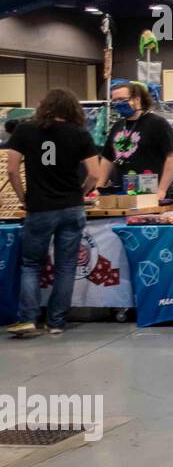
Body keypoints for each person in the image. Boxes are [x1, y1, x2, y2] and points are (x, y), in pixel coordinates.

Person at [5, 89, 101, 337]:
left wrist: (23, 199)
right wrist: (80, 193)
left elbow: (12, 171)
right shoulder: (80, 134)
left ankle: (28, 319)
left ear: (44, 106)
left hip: (40, 208)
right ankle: (56, 322)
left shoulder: (25, 130)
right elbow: (94, 173)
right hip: (71, 207)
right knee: (66, 266)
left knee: (30, 265)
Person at [99, 81, 173, 201]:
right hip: (122, 192)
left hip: (150, 191)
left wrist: (162, 189)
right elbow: (107, 158)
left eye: (122, 99)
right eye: (114, 101)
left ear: (136, 99)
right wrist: (99, 187)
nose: (118, 104)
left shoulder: (157, 123)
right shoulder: (118, 126)